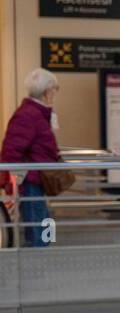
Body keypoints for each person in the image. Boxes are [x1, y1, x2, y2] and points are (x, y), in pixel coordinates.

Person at [2, 69, 64, 248]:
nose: (55, 93)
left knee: (46, 225)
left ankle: (46, 260)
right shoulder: (29, 115)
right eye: (55, 88)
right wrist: (13, 182)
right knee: (37, 230)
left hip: (40, 181)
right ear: (47, 91)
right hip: (31, 183)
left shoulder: (37, 114)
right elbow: (10, 152)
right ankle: (37, 269)